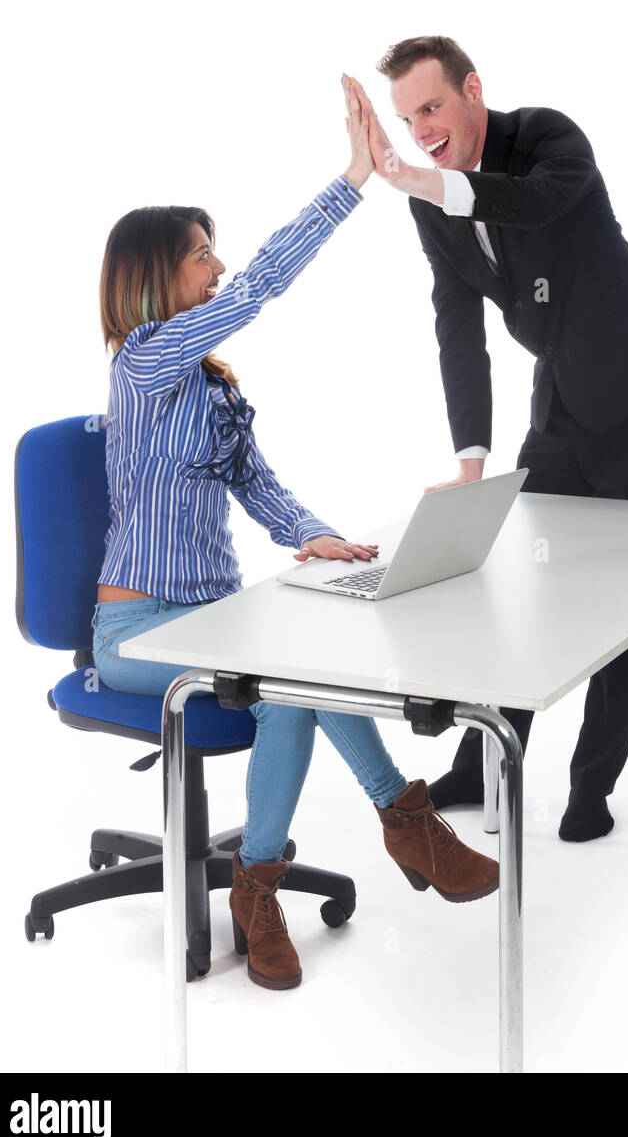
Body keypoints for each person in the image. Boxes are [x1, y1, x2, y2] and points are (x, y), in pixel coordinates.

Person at [92, 77, 498, 992]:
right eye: (202, 257)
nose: (220, 268)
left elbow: (258, 484)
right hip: (137, 635)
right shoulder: (147, 359)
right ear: (159, 277)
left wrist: (317, 536)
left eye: (215, 254)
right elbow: (268, 283)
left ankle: (381, 835)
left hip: (213, 620)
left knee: (316, 667)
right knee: (290, 689)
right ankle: (281, 879)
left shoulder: (207, 382)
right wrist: (350, 182)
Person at [345, 40, 628, 842]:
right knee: (522, 578)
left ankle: (591, 786)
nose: (420, 130)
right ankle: (483, 763)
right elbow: (457, 325)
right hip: (561, 394)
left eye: (431, 108)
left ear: (473, 90)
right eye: (405, 119)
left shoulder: (548, 139)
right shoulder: (427, 201)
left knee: (626, 599)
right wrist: (471, 463)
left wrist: (418, 179)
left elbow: (528, 204)